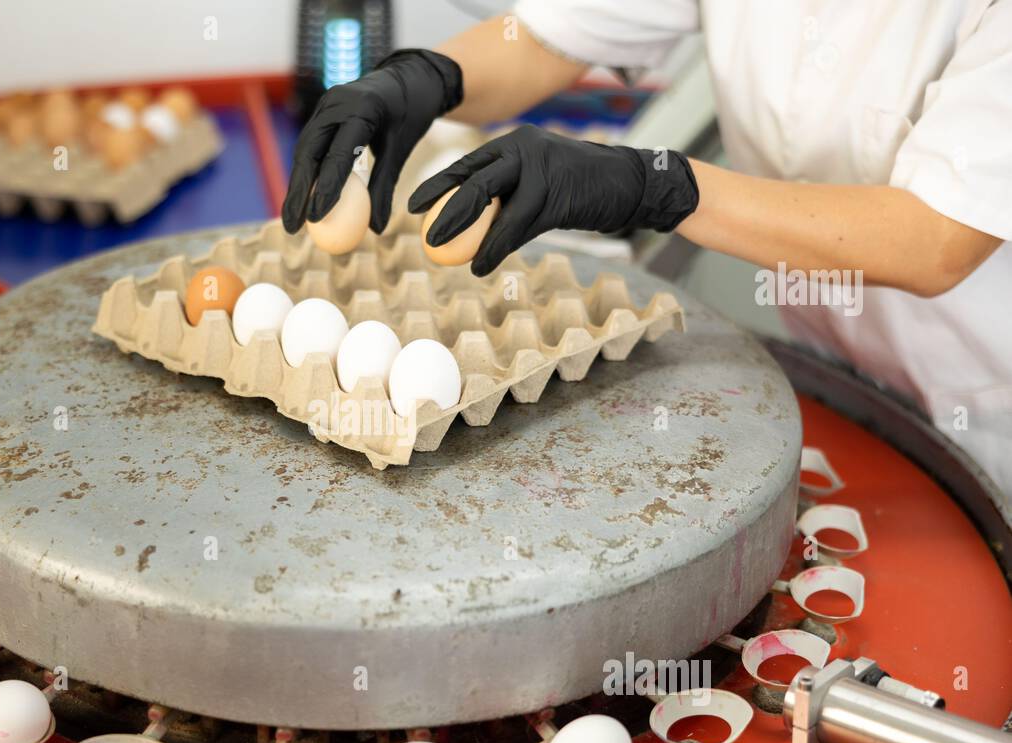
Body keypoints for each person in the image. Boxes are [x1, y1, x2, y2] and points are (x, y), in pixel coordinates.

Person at [281, 1, 1012, 495]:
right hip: (834, 377)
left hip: (985, 408)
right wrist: (426, 78)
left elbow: (936, 238)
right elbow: (547, 39)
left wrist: (657, 187)